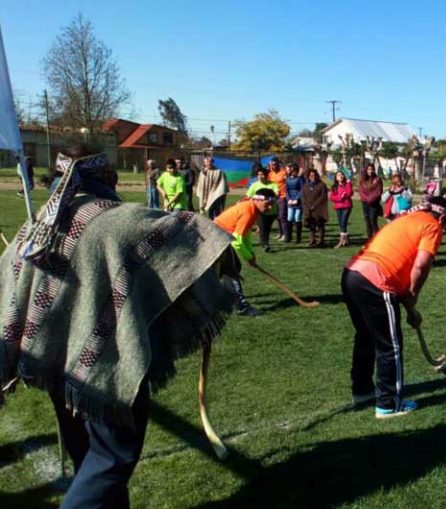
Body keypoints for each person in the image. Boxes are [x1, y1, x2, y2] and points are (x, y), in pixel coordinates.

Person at [0, 145, 236, 509]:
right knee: (112, 458)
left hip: (55, 359)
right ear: (105, 176)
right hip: (107, 362)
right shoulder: (119, 221)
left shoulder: (37, 221)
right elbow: (194, 234)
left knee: (88, 459)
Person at [342, 196, 446, 418]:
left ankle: (362, 390)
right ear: (442, 217)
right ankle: (388, 403)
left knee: (366, 337)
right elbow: (420, 266)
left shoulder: (404, 218)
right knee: (390, 346)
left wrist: (409, 307)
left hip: (351, 274)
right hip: (376, 280)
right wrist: (412, 297)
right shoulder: (431, 226)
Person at [214, 188, 277, 315]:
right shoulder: (248, 210)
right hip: (217, 238)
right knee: (231, 271)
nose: (269, 208)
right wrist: (248, 257)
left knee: (226, 271)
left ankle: (224, 301)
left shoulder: (252, 209)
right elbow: (237, 240)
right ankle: (241, 306)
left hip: (220, 238)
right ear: (258, 200)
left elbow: (246, 233)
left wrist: (251, 253)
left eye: (272, 205)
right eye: (267, 204)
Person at [247, 167, 279, 252]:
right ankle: (265, 244)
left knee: (267, 228)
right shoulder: (254, 185)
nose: (260, 176)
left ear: (266, 175)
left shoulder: (273, 185)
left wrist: (266, 198)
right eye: (259, 174)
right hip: (259, 211)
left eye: (262, 174)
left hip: (271, 211)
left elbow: (276, 195)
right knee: (262, 227)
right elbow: (249, 196)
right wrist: (260, 198)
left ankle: (263, 241)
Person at [301, 168, 329, 247]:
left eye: (314, 175)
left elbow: (323, 196)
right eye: (310, 175)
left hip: (319, 209)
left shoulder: (322, 185)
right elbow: (303, 197)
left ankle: (321, 241)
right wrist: (307, 206)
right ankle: (312, 241)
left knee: (320, 225)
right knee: (311, 225)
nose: (312, 177)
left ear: (317, 175)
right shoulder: (305, 186)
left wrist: (314, 205)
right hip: (308, 208)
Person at [329, 170, 354, 248]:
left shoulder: (347, 184)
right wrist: (340, 198)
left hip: (346, 206)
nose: (341, 176)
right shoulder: (334, 187)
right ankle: (346, 240)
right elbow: (331, 197)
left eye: (342, 174)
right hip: (338, 207)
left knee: (343, 222)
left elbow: (350, 193)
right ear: (336, 178)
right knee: (341, 224)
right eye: (338, 175)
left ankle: (341, 241)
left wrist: (349, 183)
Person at [358, 163, 383, 238]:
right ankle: (369, 239)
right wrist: (366, 198)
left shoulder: (377, 179)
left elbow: (378, 191)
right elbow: (361, 191)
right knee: (367, 221)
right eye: (368, 169)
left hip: (374, 204)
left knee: (373, 221)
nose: (370, 171)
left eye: (372, 169)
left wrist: (370, 199)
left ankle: (377, 238)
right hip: (365, 203)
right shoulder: (363, 180)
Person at [267, 158, 289, 241]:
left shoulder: (283, 172)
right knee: (278, 217)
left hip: (282, 197)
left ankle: (285, 234)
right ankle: (281, 233)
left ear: (277, 165)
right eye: (271, 165)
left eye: (274, 165)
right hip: (273, 198)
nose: (272, 167)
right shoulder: (270, 174)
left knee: (283, 216)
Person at [285, 163, 305, 243]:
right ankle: (288, 237)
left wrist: (297, 199)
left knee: (297, 218)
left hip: (298, 202)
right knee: (289, 218)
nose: (289, 171)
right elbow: (287, 191)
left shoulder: (300, 179)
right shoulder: (288, 179)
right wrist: (288, 199)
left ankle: (298, 238)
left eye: (290, 169)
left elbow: (302, 189)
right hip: (290, 201)